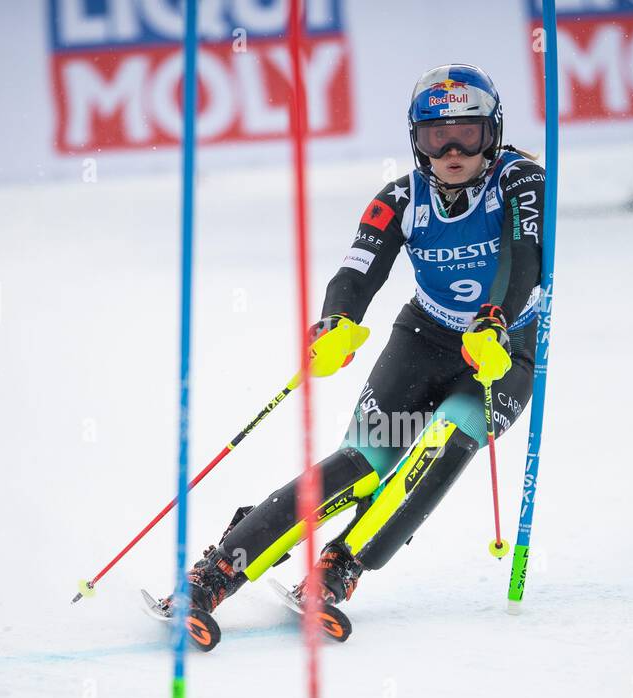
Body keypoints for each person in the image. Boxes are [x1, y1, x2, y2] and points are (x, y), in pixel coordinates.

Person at [174, 63, 546, 631]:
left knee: (440, 447)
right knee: (361, 465)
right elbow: (359, 268)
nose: (451, 149)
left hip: (502, 351)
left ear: (491, 132)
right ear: (415, 140)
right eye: (434, 135)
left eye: (467, 134)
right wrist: (336, 323)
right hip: (424, 338)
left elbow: (525, 257)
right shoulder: (401, 197)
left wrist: (496, 321)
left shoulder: (521, 181)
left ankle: (341, 566)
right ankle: (216, 573)